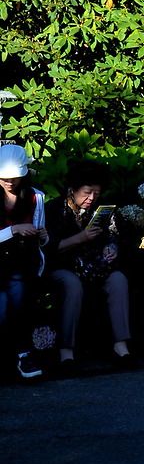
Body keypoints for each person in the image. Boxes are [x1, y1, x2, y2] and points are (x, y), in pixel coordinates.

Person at [45, 160, 134, 375]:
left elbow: (113, 236)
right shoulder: (54, 209)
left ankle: (120, 346)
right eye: (87, 192)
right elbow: (48, 248)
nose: (91, 198)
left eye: (96, 193)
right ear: (73, 189)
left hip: (95, 267)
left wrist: (112, 249)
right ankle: (66, 352)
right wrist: (80, 238)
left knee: (118, 280)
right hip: (63, 267)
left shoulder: (103, 210)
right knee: (71, 284)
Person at [0, 143, 47, 380]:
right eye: (4, 177)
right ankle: (17, 355)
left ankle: (23, 355)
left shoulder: (35, 197)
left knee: (17, 297)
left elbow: (42, 236)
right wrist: (14, 230)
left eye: (14, 177)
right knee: (2, 305)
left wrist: (43, 236)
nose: (9, 181)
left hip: (20, 264)